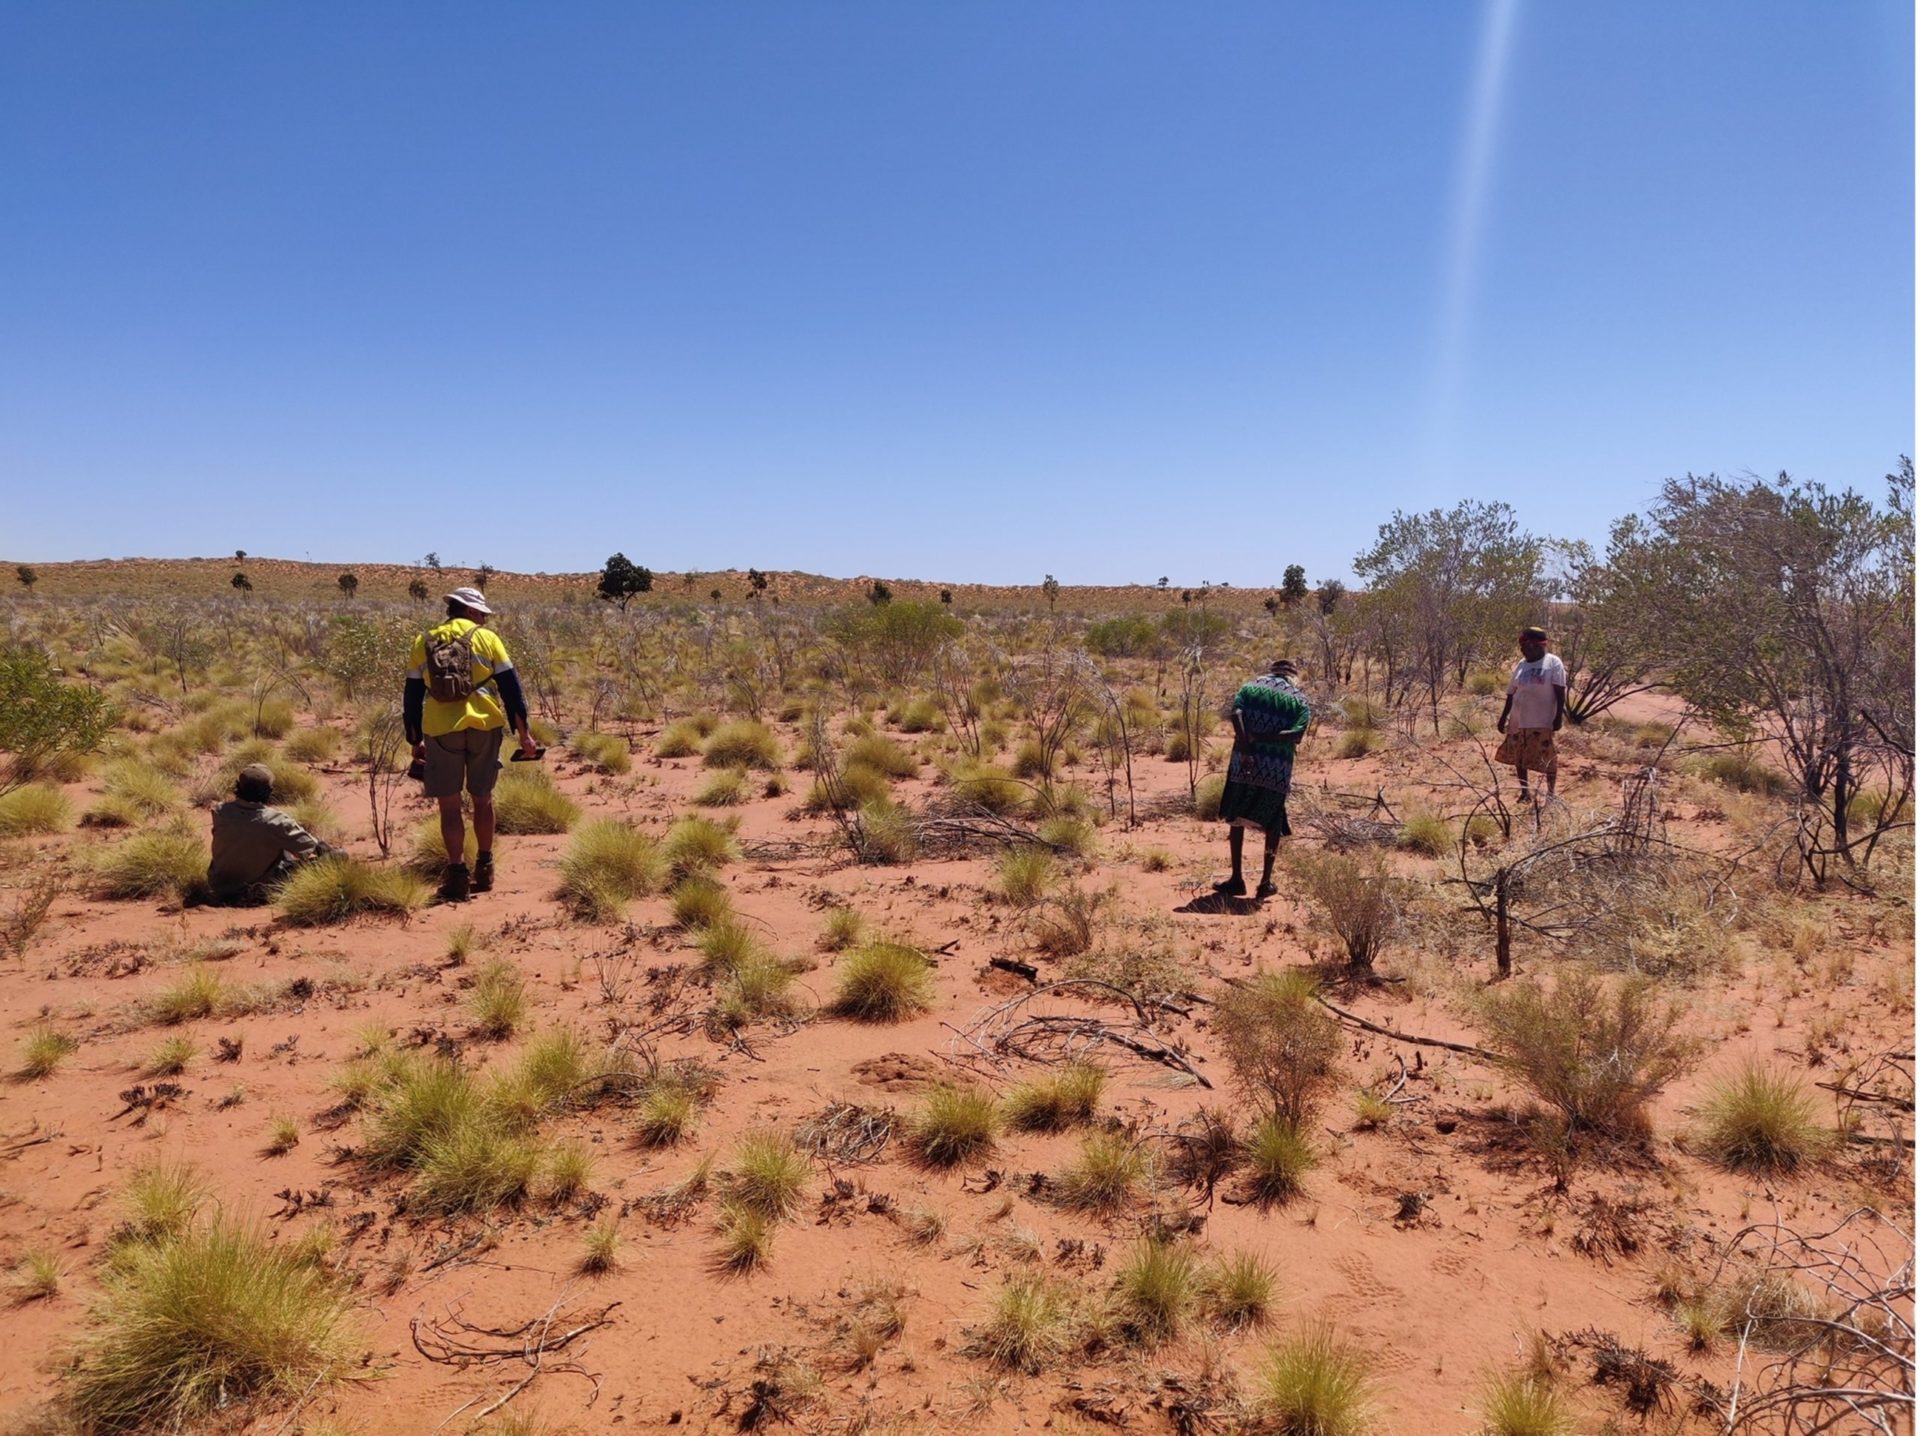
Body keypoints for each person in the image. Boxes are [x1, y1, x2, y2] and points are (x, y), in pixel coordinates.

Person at [404, 586, 538, 901]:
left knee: (449, 807)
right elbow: (511, 691)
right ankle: (485, 867)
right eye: (482, 614)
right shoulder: (487, 639)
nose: (485, 619)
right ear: (470, 611)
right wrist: (525, 734)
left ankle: (456, 875)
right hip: (484, 725)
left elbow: (411, 696)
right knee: (483, 799)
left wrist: (414, 740)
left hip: (440, 728)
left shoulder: (423, 641)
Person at [1214, 658, 1312, 900]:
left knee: (1235, 816)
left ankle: (1237, 879)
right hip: (1276, 769)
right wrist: (1263, 737)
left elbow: (1236, 714)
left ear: (1272, 672)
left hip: (1242, 761)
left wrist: (1247, 744)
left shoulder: (1249, 688)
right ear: (1292, 677)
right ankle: (1265, 883)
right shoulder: (1299, 699)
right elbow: (1297, 734)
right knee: (1273, 822)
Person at [206, 764, 337, 905]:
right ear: (269, 791)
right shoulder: (276, 821)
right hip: (257, 891)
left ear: (238, 787)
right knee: (338, 856)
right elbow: (314, 847)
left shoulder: (220, 812)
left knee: (278, 850)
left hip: (218, 887)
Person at [1495, 625, 1567, 799]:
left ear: (1535, 646)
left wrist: (1558, 718)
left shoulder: (1553, 663)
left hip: (1541, 720)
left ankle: (1550, 793)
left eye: (1524, 647)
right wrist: (1504, 717)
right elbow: (1511, 692)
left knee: (1547, 758)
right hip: (1518, 720)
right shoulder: (1522, 664)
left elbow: (1559, 692)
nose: (1522, 651)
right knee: (1519, 758)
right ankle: (1525, 792)